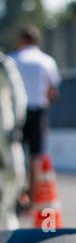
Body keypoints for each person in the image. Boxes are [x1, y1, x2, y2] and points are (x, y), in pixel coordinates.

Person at [11, 26, 60, 209]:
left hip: (17, 112)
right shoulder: (47, 61)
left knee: (15, 152)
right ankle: (33, 195)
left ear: (22, 40)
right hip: (38, 111)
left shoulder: (13, 59)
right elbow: (53, 91)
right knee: (36, 155)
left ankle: (16, 193)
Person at [0, 48, 27, 229]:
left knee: (15, 171)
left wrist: (17, 123)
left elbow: (19, 93)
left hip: (4, 128)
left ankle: (7, 211)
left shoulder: (4, 64)